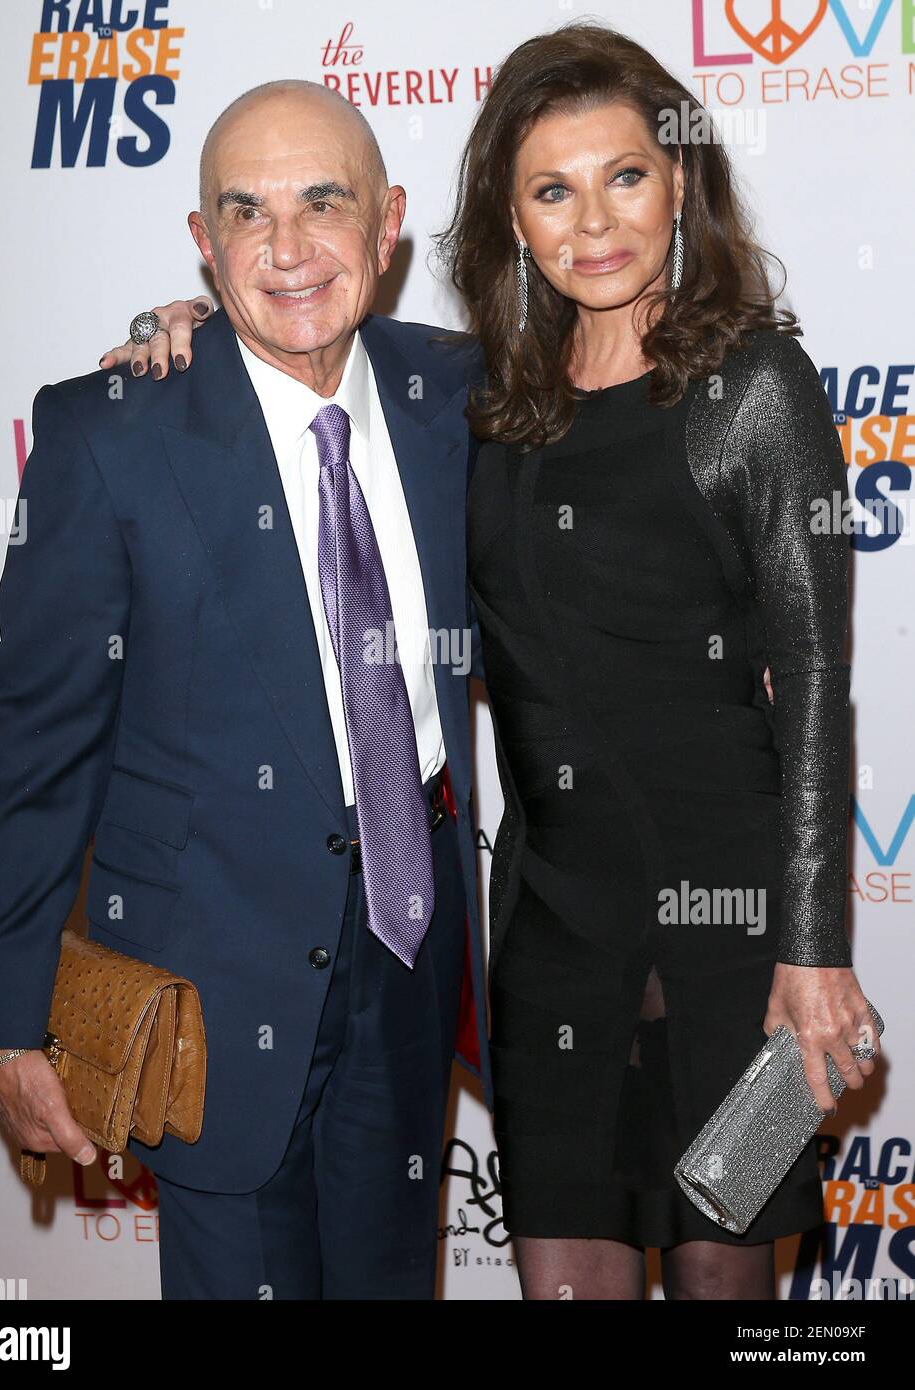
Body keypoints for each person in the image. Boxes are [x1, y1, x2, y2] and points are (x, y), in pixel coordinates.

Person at [128, 23, 881, 1302]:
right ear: (512, 221)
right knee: (565, 1283)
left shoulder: (756, 383)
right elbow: (304, 354)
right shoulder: (477, 397)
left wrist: (812, 956)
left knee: (728, 1285)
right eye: (552, 189)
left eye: (625, 177)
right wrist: (183, 325)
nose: (595, 222)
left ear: (680, 184)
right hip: (548, 942)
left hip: (742, 940)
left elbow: (815, 687)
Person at [0, 79, 491, 1301]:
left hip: (413, 966)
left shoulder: (457, 396)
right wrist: (5, 1015)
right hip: (206, 987)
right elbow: (41, 743)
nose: (287, 246)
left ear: (389, 222)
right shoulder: (109, 434)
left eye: (323, 203)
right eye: (245, 212)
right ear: (201, 240)